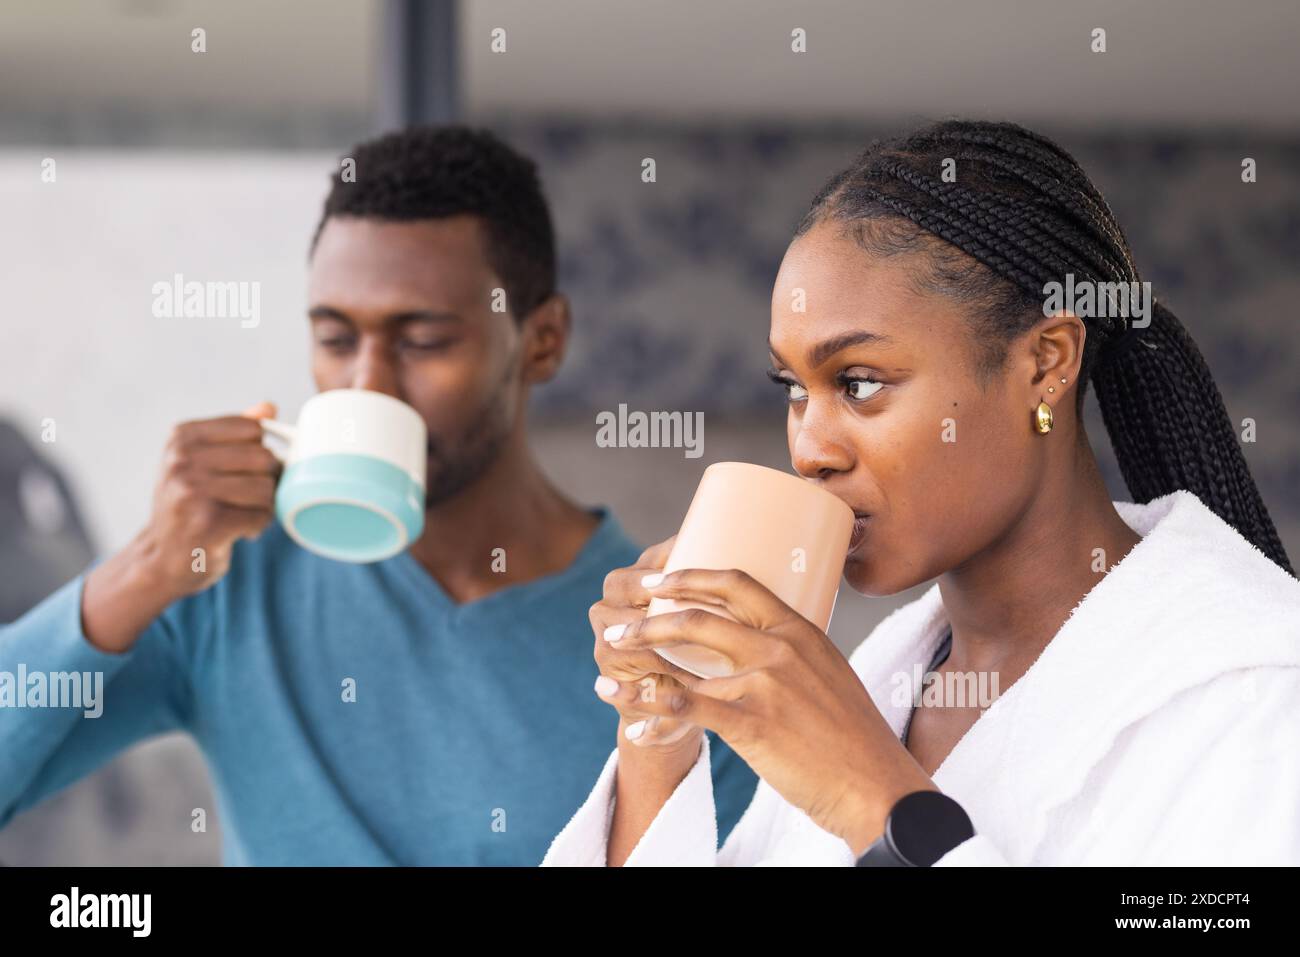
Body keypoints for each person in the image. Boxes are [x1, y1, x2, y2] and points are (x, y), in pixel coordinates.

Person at [542, 119, 1300, 867]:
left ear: (1045, 363)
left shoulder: (1258, 690)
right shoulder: (878, 681)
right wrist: (660, 737)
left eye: (860, 383)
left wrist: (880, 805)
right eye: (794, 389)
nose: (810, 450)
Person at [0, 126, 757, 865]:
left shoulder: (657, 647)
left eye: (423, 341)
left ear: (542, 341)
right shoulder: (227, 583)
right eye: (335, 340)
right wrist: (145, 567)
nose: (368, 385)